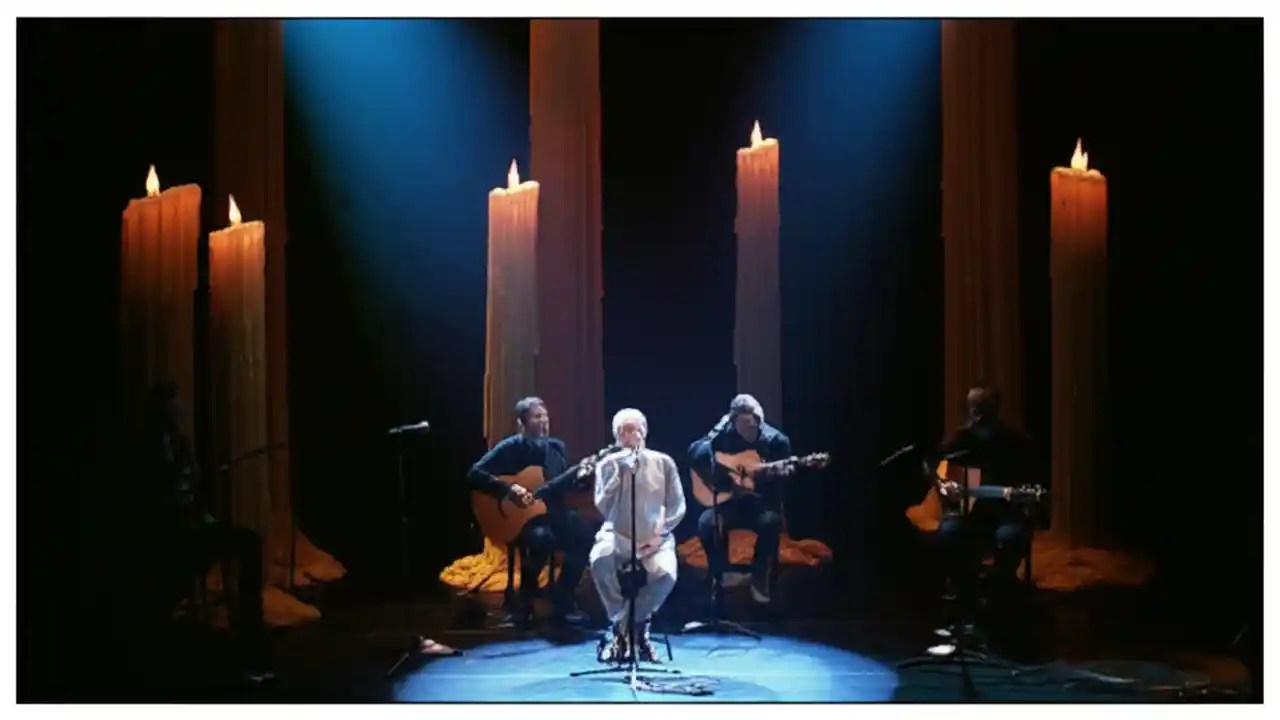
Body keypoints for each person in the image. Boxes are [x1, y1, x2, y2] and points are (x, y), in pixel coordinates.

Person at [134, 381, 272, 682]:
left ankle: (251, 635)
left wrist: (206, 517)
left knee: (248, 541)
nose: (179, 409)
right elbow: (153, 499)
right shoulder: (146, 450)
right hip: (166, 533)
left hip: (195, 527)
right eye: (173, 403)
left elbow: (194, 492)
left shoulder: (182, 445)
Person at [468, 397, 594, 627]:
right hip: (520, 519)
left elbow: (560, 486)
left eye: (545, 416)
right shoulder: (510, 448)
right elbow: (474, 474)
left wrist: (581, 478)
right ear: (522, 422)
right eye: (537, 417)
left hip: (554, 512)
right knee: (540, 539)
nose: (544, 421)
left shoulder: (556, 448)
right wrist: (509, 489)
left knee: (586, 534)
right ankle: (523, 605)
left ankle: (563, 598)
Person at [589, 408, 686, 662]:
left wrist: (661, 534)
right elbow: (603, 506)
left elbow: (677, 505)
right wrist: (618, 476)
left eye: (632, 429)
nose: (628, 435)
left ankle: (634, 625)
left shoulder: (663, 462)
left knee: (665, 573)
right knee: (600, 559)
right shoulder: (606, 465)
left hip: (654, 538)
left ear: (644, 432)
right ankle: (622, 624)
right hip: (617, 534)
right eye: (622, 431)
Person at [933, 385, 1039, 604]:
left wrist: (1023, 496)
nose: (977, 414)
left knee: (1011, 536)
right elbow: (937, 467)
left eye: (983, 408)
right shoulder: (961, 439)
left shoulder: (1016, 442)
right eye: (974, 408)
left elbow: (1033, 480)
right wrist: (944, 484)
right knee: (949, 531)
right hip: (970, 514)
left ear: (996, 409)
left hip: (1006, 514)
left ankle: (1002, 584)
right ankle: (964, 585)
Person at [688, 394, 792, 604]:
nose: (749, 430)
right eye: (743, 425)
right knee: (707, 523)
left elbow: (784, 486)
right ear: (732, 422)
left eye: (753, 425)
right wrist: (725, 472)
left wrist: (766, 478)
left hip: (760, 505)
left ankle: (759, 575)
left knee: (771, 523)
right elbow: (694, 454)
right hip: (728, 503)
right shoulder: (722, 436)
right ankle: (721, 576)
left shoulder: (776, 441)